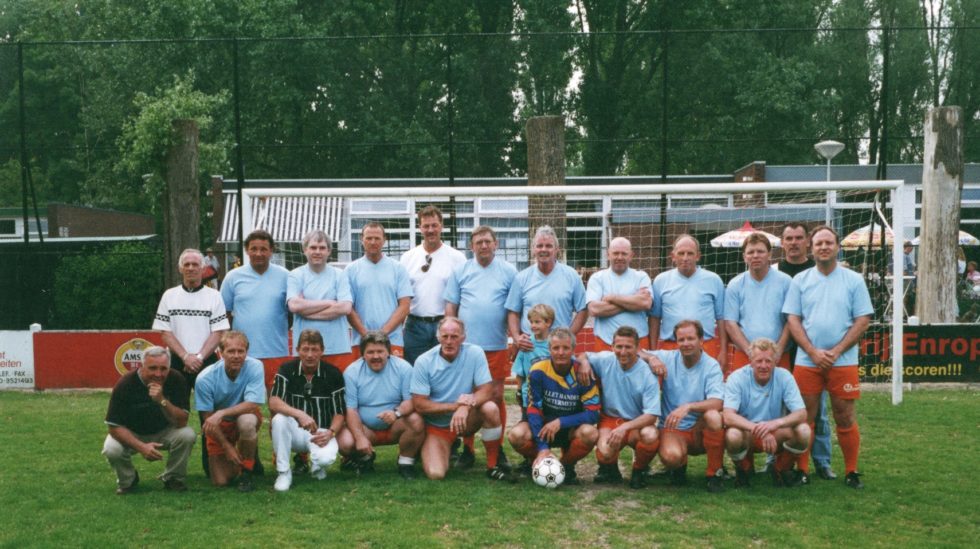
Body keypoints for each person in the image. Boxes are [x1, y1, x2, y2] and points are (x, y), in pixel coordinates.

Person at [783, 225, 873, 489]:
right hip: (807, 360)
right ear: (812, 248)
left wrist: (836, 351)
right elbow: (793, 319)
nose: (823, 247)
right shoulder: (800, 280)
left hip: (842, 361)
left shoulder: (853, 279)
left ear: (837, 246)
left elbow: (863, 320)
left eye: (828, 243)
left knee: (844, 416)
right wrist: (812, 351)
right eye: (819, 243)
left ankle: (852, 471)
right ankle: (802, 470)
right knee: (805, 417)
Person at [444, 225, 517, 469]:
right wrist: (452, 337)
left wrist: (514, 338)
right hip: (467, 346)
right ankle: (468, 448)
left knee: (495, 396)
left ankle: (497, 449)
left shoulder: (509, 271)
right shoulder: (461, 270)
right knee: (466, 395)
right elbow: (451, 308)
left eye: (487, 241)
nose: (483, 246)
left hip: (495, 344)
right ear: (471, 246)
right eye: (478, 242)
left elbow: (514, 309)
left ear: (496, 244)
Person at [410, 317, 509, 481]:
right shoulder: (424, 361)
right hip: (437, 426)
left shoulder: (475, 352)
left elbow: (487, 390)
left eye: (454, 336)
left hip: (466, 420)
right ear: (438, 337)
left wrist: (466, 406)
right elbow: (420, 404)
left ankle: (493, 465)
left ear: (463, 337)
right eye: (445, 336)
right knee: (436, 474)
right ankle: (434, 448)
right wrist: (456, 406)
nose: (449, 341)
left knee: (490, 408)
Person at [777, 222, 835, 482]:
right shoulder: (775, 272)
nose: (793, 242)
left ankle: (822, 462)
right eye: (788, 238)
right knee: (780, 409)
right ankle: (777, 460)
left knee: (817, 411)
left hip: (808, 354)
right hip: (780, 352)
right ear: (782, 242)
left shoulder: (817, 272)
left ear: (807, 243)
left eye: (799, 238)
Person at [507, 328, 600, 485]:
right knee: (516, 435)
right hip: (542, 427)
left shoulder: (582, 372)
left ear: (573, 349)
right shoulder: (537, 370)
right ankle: (539, 460)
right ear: (549, 349)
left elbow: (593, 413)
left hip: (570, 428)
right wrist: (543, 447)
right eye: (556, 348)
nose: (561, 352)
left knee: (590, 433)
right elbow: (533, 409)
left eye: (565, 348)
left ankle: (565, 466)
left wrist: (560, 422)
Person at [102, 346, 196, 495]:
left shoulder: (177, 379)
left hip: (164, 431)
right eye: (152, 368)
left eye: (163, 369)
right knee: (111, 448)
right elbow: (114, 427)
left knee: (187, 435)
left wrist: (162, 400)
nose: (158, 374)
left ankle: (173, 478)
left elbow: (182, 422)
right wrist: (142, 447)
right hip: (132, 432)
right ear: (142, 366)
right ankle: (128, 480)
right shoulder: (126, 383)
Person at [646, 320, 726, 493]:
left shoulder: (711, 365)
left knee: (713, 416)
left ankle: (715, 473)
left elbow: (718, 402)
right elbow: (638, 352)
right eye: (681, 340)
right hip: (673, 427)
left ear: (701, 340)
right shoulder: (668, 357)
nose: (686, 343)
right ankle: (678, 469)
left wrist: (689, 407)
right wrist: (652, 358)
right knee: (671, 456)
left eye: (691, 338)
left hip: (699, 427)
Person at [576, 326, 660, 489]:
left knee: (650, 435)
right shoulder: (605, 359)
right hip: (610, 419)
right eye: (619, 346)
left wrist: (625, 427)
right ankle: (610, 469)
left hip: (637, 422)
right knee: (605, 452)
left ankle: (639, 471)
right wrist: (584, 362)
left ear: (637, 348)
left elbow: (652, 415)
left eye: (628, 347)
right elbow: (582, 355)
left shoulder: (647, 374)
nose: (623, 351)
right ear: (612, 347)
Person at [723, 338, 811, 489]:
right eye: (759, 361)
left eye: (768, 361)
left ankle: (781, 469)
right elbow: (728, 416)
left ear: (776, 361)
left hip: (775, 432)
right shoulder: (736, 377)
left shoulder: (785, 376)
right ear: (750, 361)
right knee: (732, 435)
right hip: (748, 433)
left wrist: (775, 424)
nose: (763, 366)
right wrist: (758, 429)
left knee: (804, 431)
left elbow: (801, 413)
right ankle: (743, 470)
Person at [338, 331, 425, 480]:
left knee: (416, 420)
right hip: (366, 428)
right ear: (362, 354)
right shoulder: (351, 372)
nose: (376, 356)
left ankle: (406, 462)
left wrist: (395, 413)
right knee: (345, 442)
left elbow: (411, 401)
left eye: (380, 351)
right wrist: (359, 437)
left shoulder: (404, 368)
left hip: (395, 425)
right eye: (370, 352)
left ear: (388, 352)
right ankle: (365, 459)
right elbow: (350, 409)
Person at [268, 329, 346, 492]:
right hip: (295, 430)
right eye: (305, 349)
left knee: (325, 459)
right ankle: (284, 472)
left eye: (314, 349)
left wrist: (331, 433)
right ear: (298, 350)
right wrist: (299, 414)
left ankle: (318, 466)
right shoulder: (287, 369)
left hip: (321, 431)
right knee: (278, 420)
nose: (310, 355)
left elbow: (340, 412)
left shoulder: (333, 373)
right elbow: (274, 401)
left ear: (322, 351)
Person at [195, 331, 266, 491]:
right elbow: (208, 419)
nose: (236, 356)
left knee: (247, 422)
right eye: (231, 351)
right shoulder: (204, 379)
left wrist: (221, 413)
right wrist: (227, 446)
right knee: (221, 481)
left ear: (246, 352)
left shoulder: (255, 366)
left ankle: (247, 472)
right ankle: (247, 455)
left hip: (241, 417)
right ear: (220, 353)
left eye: (240, 351)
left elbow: (252, 404)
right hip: (219, 426)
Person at [649, 235, 728, 372]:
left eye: (690, 253)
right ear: (673, 256)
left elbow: (721, 318)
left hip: (706, 347)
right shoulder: (660, 281)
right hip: (670, 347)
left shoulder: (714, 280)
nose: (685, 258)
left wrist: (723, 350)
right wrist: (653, 351)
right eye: (681, 253)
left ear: (698, 256)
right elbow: (654, 318)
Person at [153, 248, 229, 390]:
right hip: (176, 360)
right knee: (175, 408)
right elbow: (165, 332)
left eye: (195, 264)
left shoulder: (215, 296)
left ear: (203, 268)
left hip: (206, 360)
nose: (191, 268)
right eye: (186, 265)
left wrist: (199, 358)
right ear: (180, 269)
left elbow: (218, 332)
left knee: (209, 409)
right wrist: (185, 357)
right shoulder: (169, 295)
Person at [221, 229, 290, 387]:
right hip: (243, 352)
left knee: (276, 402)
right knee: (247, 403)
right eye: (254, 249)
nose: (258, 253)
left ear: (271, 251)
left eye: (263, 249)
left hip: (276, 350)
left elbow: (291, 312)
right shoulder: (233, 277)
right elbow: (224, 314)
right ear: (247, 250)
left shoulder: (285, 276)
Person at [506, 225, 588, 356]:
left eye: (548, 246)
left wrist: (569, 335)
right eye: (539, 246)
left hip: (560, 346)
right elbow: (513, 311)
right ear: (533, 249)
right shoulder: (521, 278)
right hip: (530, 347)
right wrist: (516, 337)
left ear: (557, 250)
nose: (543, 249)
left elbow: (583, 310)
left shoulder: (571, 276)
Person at [401, 205, 467, 365]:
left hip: (445, 325)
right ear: (419, 228)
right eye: (426, 226)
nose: (430, 230)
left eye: (434, 225)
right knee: (414, 371)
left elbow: (463, 296)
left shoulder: (457, 258)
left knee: (445, 370)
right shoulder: (407, 258)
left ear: (441, 226)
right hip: (414, 326)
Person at [723, 233, 792, 375]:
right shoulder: (735, 284)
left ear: (769, 254)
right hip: (745, 354)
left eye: (760, 251)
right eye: (750, 252)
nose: (755, 255)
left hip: (778, 355)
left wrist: (778, 350)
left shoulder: (786, 282)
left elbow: (792, 320)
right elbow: (730, 323)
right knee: (743, 396)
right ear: (744, 256)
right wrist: (751, 352)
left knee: (778, 396)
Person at [287, 230, 355, 370]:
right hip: (306, 349)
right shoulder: (296, 275)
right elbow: (294, 305)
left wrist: (306, 311)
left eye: (322, 248)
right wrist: (329, 302)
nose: (317, 252)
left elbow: (345, 308)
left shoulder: (340, 275)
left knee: (337, 390)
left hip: (337, 346)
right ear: (305, 249)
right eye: (313, 247)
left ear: (329, 251)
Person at [345, 222, 413, 358]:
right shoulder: (351, 270)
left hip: (392, 340)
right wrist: (365, 334)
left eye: (377, 238)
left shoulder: (398, 268)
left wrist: (383, 333)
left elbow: (405, 306)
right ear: (361, 239)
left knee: (392, 378)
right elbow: (348, 308)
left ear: (384, 240)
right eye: (369, 238)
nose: (373, 242)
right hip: (361, 341)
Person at [586, 237, 653, 351]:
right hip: (605, 342)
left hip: (639, 342)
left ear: (631, 255)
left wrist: (612, 298)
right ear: (608, 254)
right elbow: (594, 310)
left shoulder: (641, 276)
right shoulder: (597, 278)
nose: (620, 257)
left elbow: (646, 303)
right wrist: (633, 302)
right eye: (615, 253)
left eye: (624, 253)